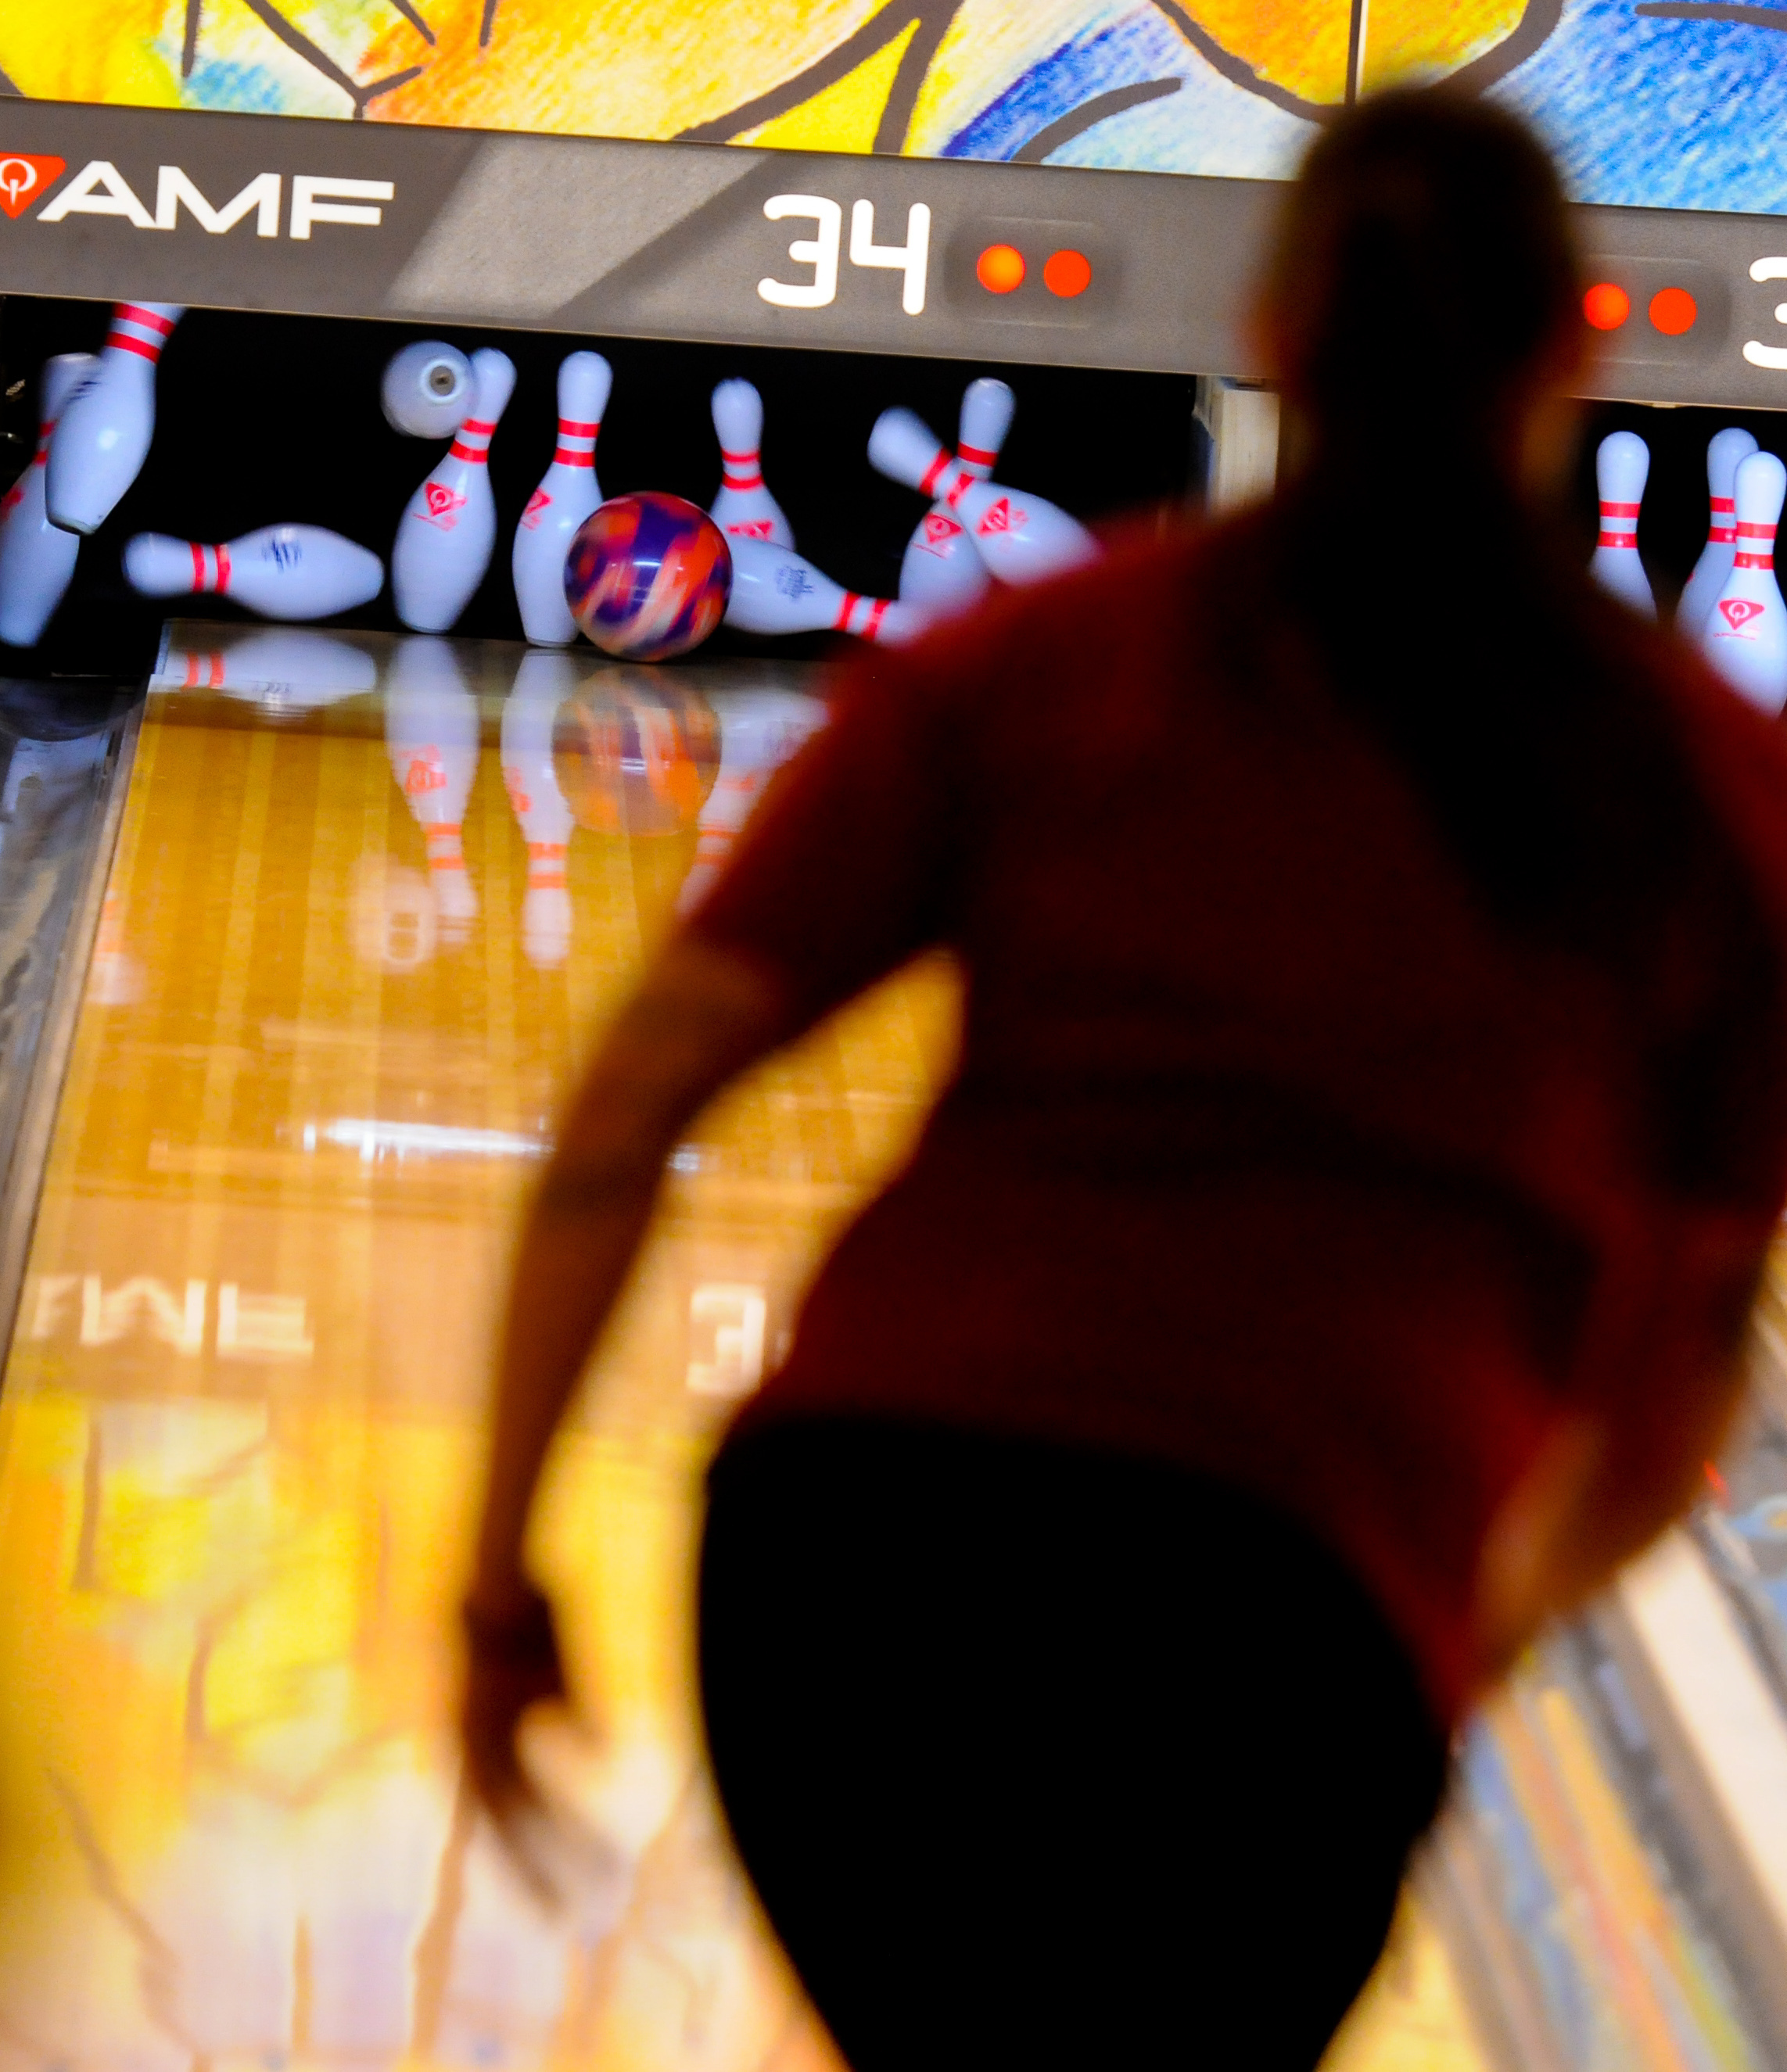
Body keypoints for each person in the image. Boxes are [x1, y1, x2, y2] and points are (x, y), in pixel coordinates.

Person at [461, 88, 1787, 2071]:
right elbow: (1686, 1365)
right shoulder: (1712, 789)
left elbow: (630, 1103)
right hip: (1289, 1619)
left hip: (856, 1561)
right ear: (1580, 356)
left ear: (1268, 330)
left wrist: (495, 1577)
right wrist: (1456, 1623)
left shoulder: (1049, 660)